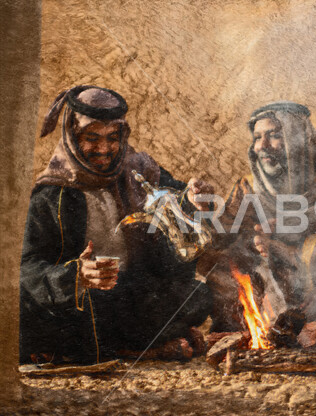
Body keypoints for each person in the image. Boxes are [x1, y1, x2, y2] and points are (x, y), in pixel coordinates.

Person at [20, 85, 212, 364]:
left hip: (131, 293)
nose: (104, 149)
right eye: (92, 138)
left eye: (112, 138)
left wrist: (195, 197)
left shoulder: (137, 170)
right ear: (73, 137)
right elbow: (28, 266)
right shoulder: (52, 194)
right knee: (63, 313)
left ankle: (125, 343)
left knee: (198, 295)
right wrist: (76, 276)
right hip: (82, 299)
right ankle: (139, 349)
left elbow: (178, 196)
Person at [189, 102, 316, 345]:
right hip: (277, 289)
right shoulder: (249, 188)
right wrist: (204, 210)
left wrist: (285, 237)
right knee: (219, 263)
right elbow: (221, 237)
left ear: (299, 140)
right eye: (257, 137)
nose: (263, 146)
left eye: (275, 135)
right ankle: (264, 330)